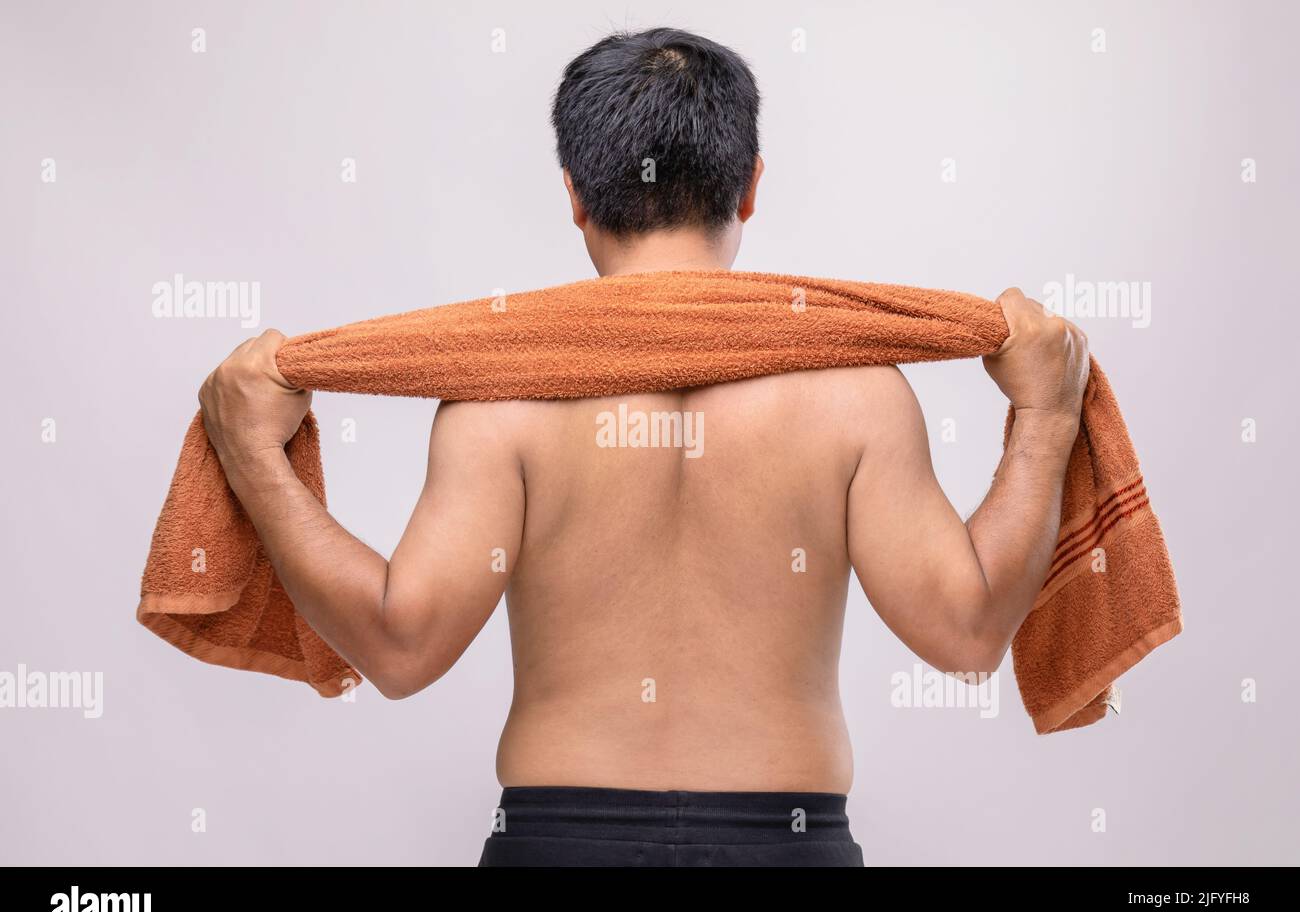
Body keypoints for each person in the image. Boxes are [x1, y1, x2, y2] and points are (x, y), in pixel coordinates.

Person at [197, 28, 1089, 866]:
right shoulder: (857, 395)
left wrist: (256, 461)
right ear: (749, 188)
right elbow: (969, 637)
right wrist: (1047, 420)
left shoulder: (499, 398)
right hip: (786, 839)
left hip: (558, 838)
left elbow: (397, 650)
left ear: (576, 198)